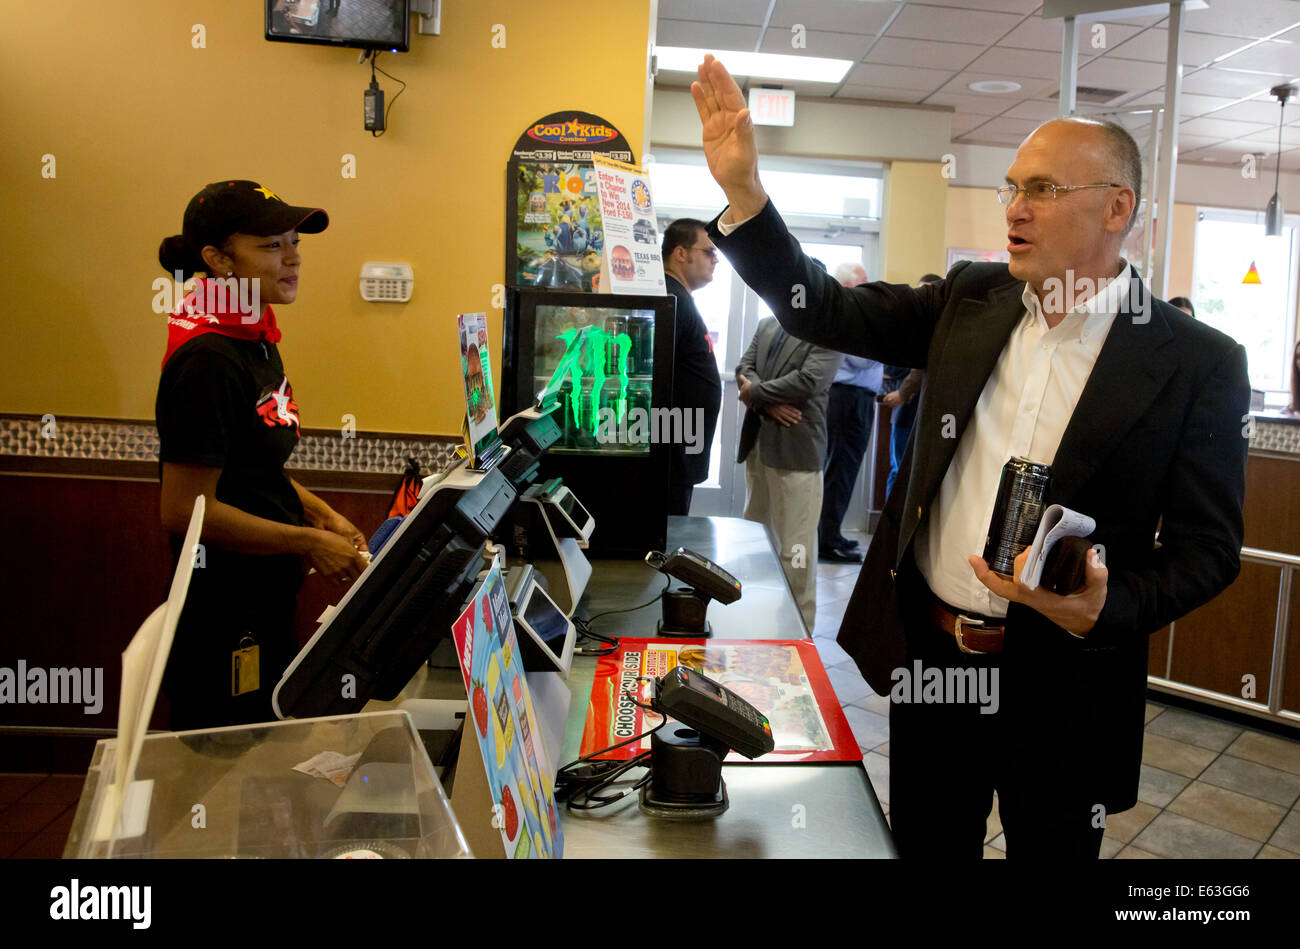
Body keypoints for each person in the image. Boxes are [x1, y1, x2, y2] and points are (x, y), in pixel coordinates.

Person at [693, 54, 1249, 858]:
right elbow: (830, 307)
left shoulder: (1197, 362)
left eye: (1043, 190)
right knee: (924, 846)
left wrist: (1107, 606)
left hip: (1066, 687)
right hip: (935, 663)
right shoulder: (970, 299)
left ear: (1117, 208)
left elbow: (1208, 550)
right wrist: (747, 194)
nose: (1015, 209)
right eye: (1012, 188)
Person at [156, 179, 369, 731]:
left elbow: (249, 467)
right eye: (271, 245)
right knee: (226, 762)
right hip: (222, 608)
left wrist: (316, 510)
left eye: (294, 241)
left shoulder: (254, 336)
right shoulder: (208, 358)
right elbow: (184, 510)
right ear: (217, 259)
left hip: (266, 592)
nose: (293, 258)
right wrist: (308, 541)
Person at [736, 314, 842, 632]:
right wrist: (766, 403)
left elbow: (809, 381)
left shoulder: (828, 329)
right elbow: (744, 368)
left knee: (796, 551)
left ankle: (797, 634)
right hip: (759, 445)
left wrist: (755, 394)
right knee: (755, 540)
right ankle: (755, 621)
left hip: (797, 451)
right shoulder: (768, 324)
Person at [818, 262, 884, 563]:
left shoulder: (849, 310)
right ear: (846, 286)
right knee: (841, 470)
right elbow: (862, 361)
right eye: (863, 282)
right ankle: (827, 540)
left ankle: (831, 534)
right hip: (849, 399)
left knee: (842, 470)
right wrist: (886, 339)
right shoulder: (847, 312)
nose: (869, 287)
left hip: (852, 398)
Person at [661, 219, 723, 515]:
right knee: (669, 527)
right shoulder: (670, 298)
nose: (715, 260)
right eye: (709, 252)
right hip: (671, 446)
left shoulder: (681, 297)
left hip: (681, 442)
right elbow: (660, 374)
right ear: (681, 253)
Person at [880, 273, 940, 499]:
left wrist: (903, 393)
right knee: (898, 469)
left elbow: (923, 366)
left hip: (917, 408)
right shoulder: (909, 324)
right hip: (905, 411)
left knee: (906, 471)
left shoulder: (937, 326)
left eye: (927, 292)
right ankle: (889, 531)